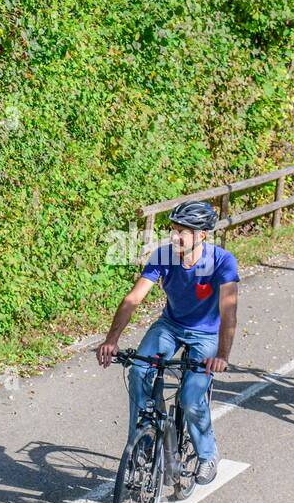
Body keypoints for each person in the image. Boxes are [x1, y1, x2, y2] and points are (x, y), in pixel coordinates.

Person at [96, 199, 239, 485]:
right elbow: (134, 298)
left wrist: (222, 355)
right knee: (138, 371)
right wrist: (111, 340)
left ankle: (207, 454)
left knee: (190, 397)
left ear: (201, 235)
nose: (174, 237)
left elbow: (228, 310)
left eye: (181, 232)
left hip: (206, 334)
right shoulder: (164, 257)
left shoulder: (222, 261)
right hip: (170, 326)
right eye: (173, 230)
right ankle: (145, 437)